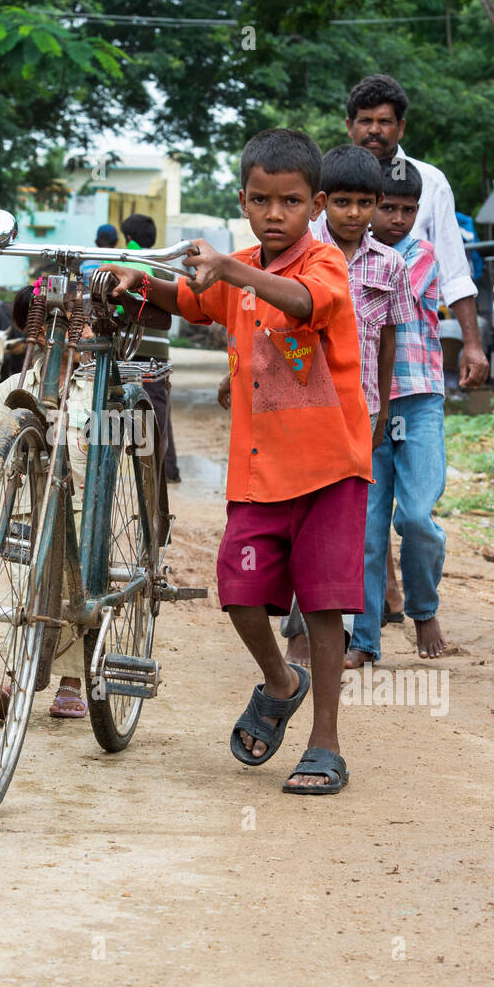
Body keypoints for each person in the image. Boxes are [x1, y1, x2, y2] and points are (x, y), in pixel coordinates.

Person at [106, 129, 373, 795]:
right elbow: (192, 302)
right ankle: (281, 683)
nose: (274, 214)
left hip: (330, 472)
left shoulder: (323, 264)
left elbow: (307, 305)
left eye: (288, 201)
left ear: (314, 205)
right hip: (257, 476)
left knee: (321, 609)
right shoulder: (239, 272)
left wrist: (231, 269)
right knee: (239, 592)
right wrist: (136, 282)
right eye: (260, 200)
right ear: (243, 201)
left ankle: (325, 745)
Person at [280, 144, 415, 667]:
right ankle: (297, 635)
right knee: (299, 519)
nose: (353, 214)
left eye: (364, 203)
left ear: (379, 204)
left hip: (358, 412)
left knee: (345, 526)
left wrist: (382, 407)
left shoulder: (392, 265)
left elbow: (387, 341)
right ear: (321, 204)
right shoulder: (300, 256)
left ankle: (348, 636)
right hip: (300, 408)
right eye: (342, 202)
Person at [0, 283, 96, 718]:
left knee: (74, 593)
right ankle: (22, 679)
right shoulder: (18, 386)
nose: (64, 336)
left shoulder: (97, 387)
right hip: (33, 507)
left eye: (73, 326)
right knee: (34, 594)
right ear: (34, 333)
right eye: (50, 327)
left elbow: (122, 447)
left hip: (86, 506)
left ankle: (67, 683)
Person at [346, 159, 448, 665]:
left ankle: (423, 610)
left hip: (419, 398)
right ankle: (365, 641)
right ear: (370, 207)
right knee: (366, 530)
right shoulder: (351, 256)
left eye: (409, 210)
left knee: (415, 517)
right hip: (368, 402)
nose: (398, 219)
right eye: (388, 207)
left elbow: (391, 290)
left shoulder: (418, 255)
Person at [345, 74, 488, 389]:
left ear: (401, 127)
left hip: (413, 363)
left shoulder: (431, 182)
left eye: (384, 121)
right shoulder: (330, 183)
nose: (374, 130)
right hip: (344, 359)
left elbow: (454, 270)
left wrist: (473, 345)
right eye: (365, 120)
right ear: (349, 126)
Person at [120, 212, 181, 484]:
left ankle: (134, 471)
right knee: (159, 408)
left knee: (119, 403)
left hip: (130, 345)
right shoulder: (164, 264)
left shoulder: (127, 261)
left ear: (129, 237)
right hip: (159, 349)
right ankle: (168, 471)